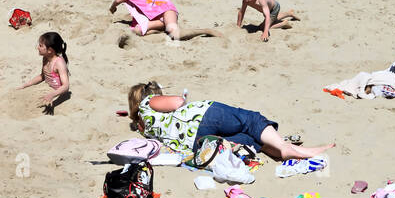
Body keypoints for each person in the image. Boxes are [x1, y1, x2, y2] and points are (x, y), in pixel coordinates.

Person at [128, 82, 333, 162]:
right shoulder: (149, 101)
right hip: (204, 115)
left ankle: (275, 152)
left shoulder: (143, 127)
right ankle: (283, 147)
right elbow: (178, 102)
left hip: (197, 143)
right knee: (251, 120)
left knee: (244, 138)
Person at [110, 0, 218, 42]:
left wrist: (112, 8)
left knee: (175, 35)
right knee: (174, 33)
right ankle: (163, 26)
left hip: (162, 13)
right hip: (168, 9)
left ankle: (206, 31)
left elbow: (118, 0)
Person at [17, 32, 70, 112]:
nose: (38, 47)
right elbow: (42, 76)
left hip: (58, 93)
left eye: (41, 46)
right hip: (48, 89)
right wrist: (26, 85)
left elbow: (66, 86)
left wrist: (52, 95)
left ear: (50, 50)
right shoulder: (45, 58)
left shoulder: (59, 63)